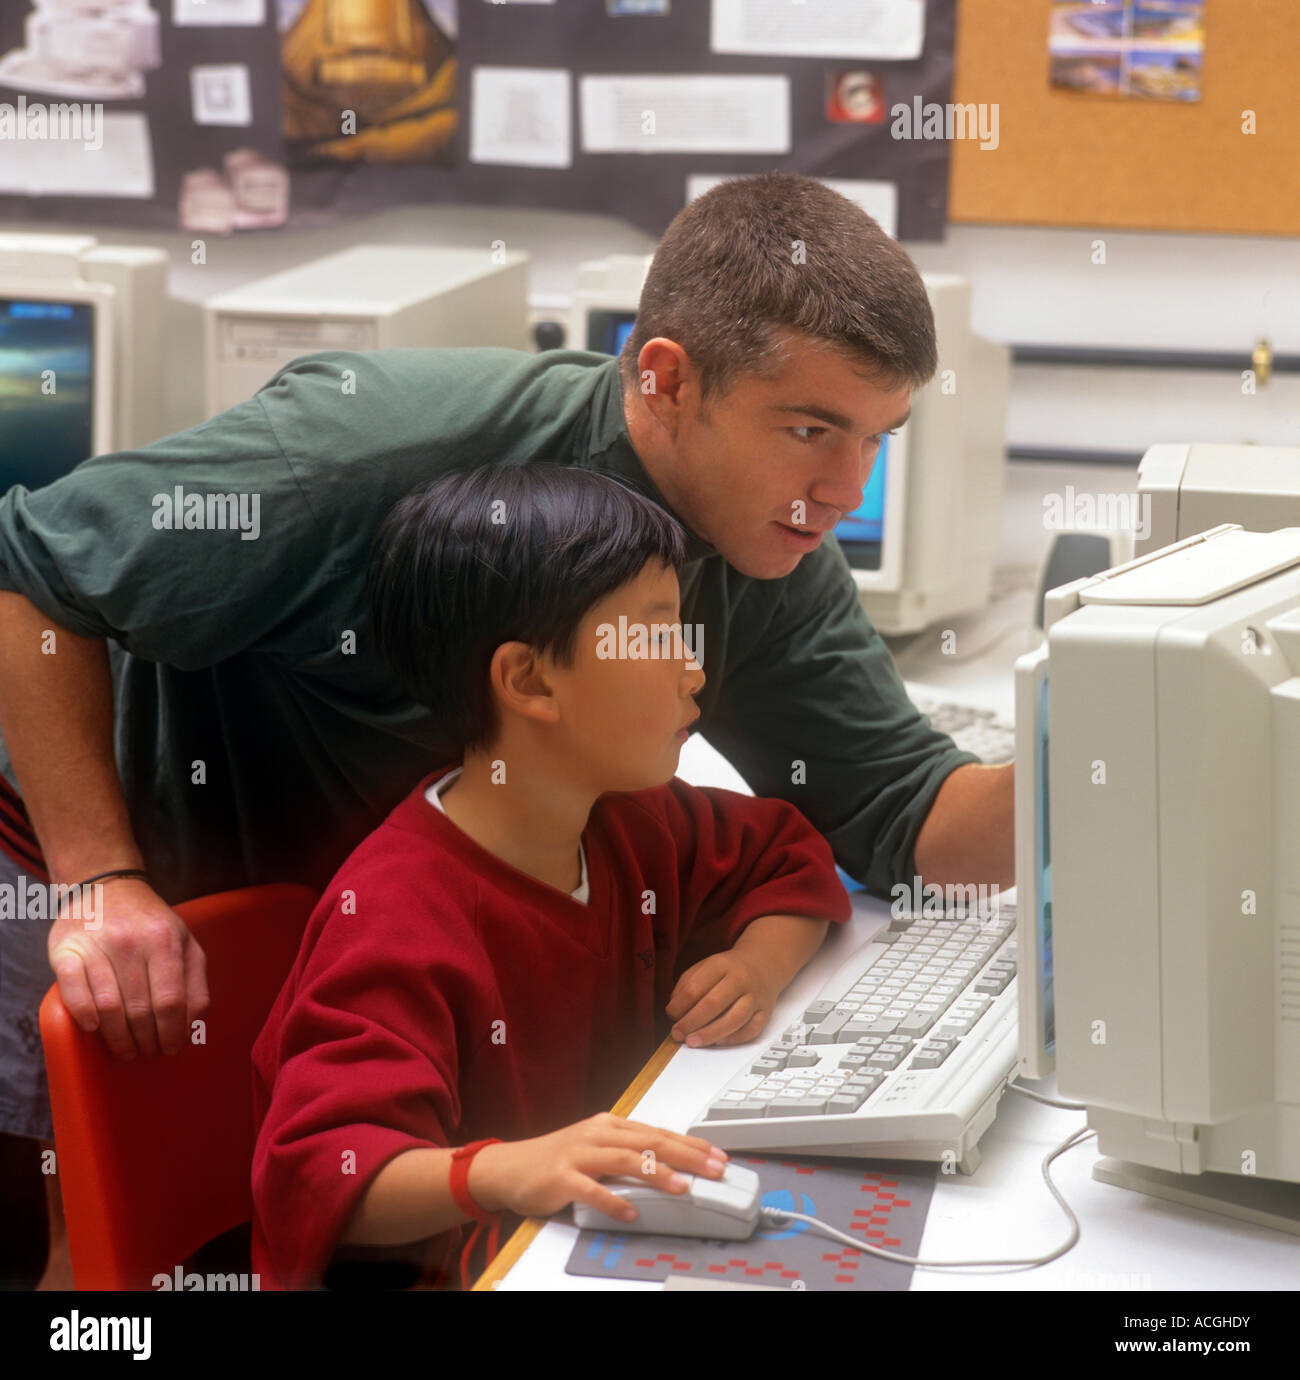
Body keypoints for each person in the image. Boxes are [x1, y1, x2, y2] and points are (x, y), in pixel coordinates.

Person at [0, 171, 1012, 1286]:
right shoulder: (366, 450)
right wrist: (97, 877)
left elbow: (900, 815)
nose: (841, 489)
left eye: (879, 437)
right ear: (669, 379)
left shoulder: (768, 545)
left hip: (336, 914)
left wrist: (1113, 757)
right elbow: (34, 570)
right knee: (90, 1223)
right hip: (76, 827)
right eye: (810, 428)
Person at [251, 465, 853, 1290]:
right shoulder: (396, 914)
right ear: (531, 682)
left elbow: (787, 855)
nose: (693, 670)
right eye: (656, 635)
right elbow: (326, 1172)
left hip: (590, 1243)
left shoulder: (627, 818)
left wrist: (759, 966)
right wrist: (502, 1171)